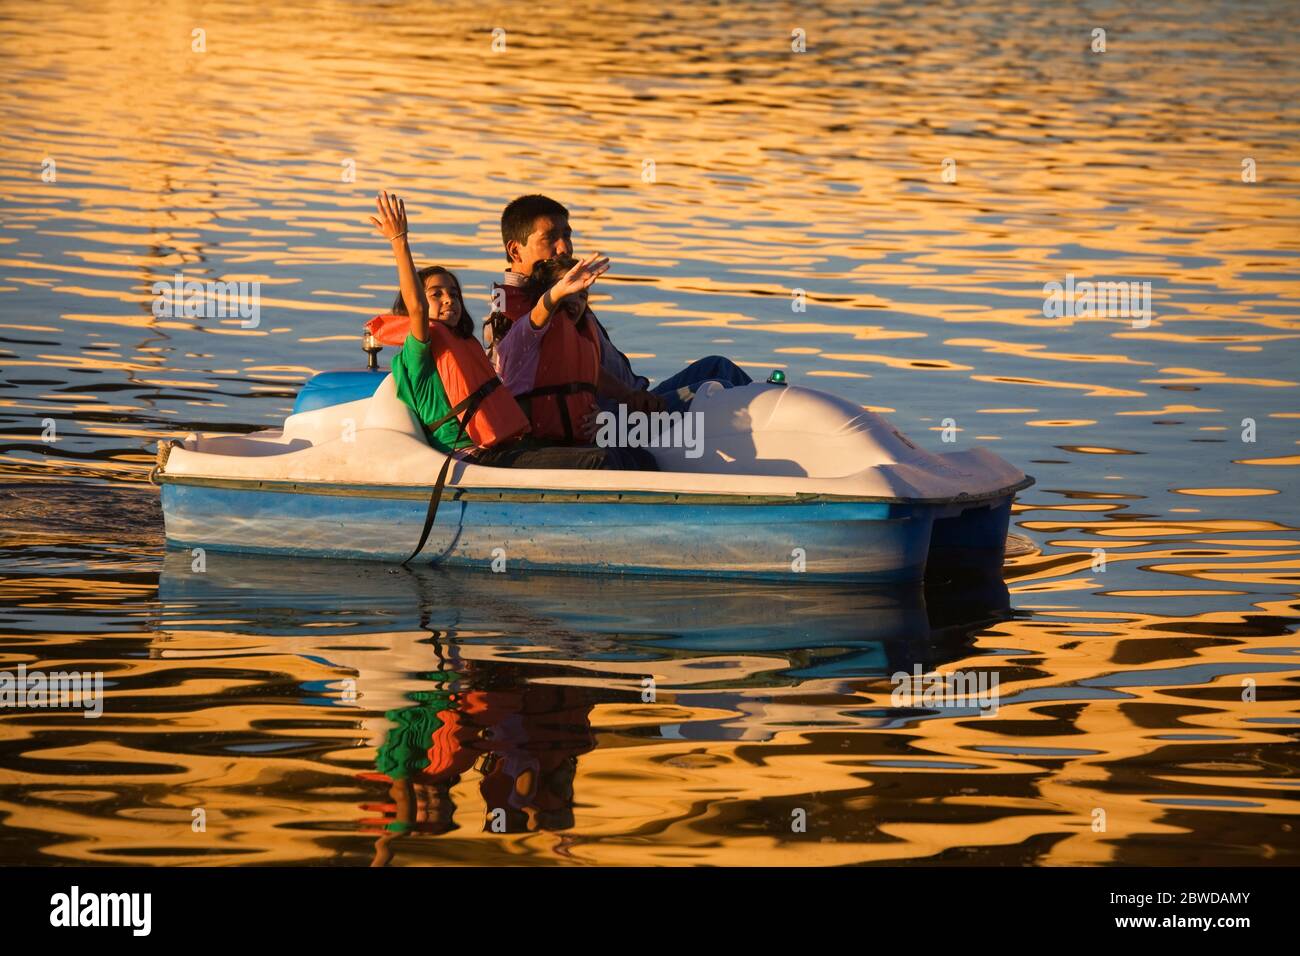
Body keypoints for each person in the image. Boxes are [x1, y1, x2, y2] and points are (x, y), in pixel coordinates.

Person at [368, 190, 643, 471]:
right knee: (601, 460)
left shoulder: (462, 346)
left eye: (453, 292)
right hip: (473, 459)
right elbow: (416, 306)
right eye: (436, 294)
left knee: (631, 454)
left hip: (505, 447)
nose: (449, 299)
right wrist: (399, 240)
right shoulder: (417, 356)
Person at [490, 194, 752, 415]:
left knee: (719, 366)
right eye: (550, 239)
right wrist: (627, 396)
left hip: (638, 399)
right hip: (613, 418)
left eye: (566, 235)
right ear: (515, 251)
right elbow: (571, 364)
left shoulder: (561, 283)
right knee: (716, 388)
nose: (564, 247)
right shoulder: (516, 308)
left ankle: (782, 415)